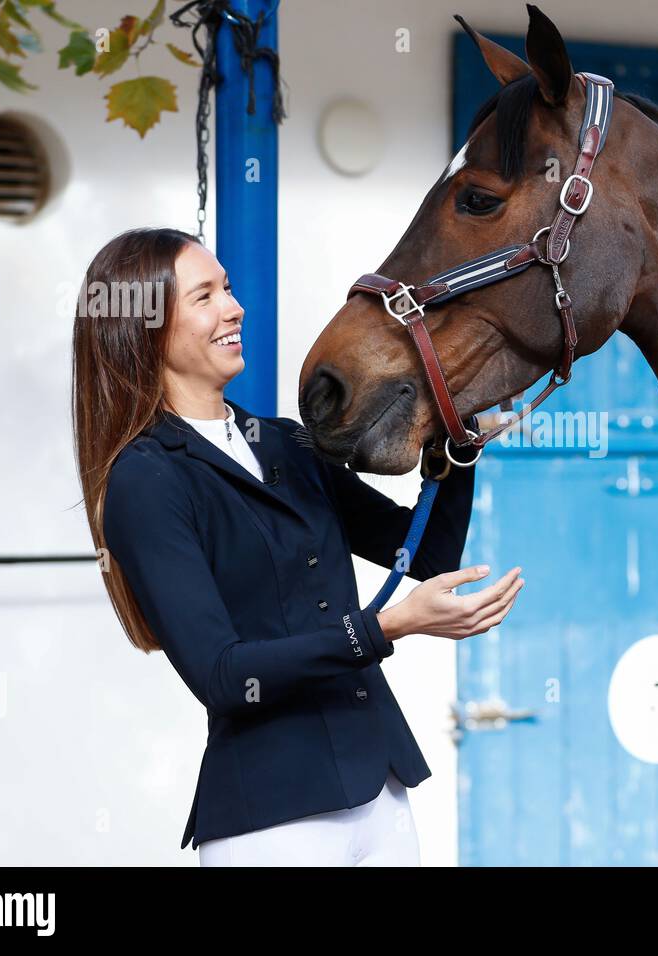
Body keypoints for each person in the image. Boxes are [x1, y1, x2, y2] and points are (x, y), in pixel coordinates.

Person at [71, 226, 523, 865]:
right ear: (146, 329)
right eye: (206, 297)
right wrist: (386, 627)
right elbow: (225, 676)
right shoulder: (145, 480)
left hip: (381, 790)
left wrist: (461, 439)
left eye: (227, 288)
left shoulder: (285, 443)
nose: (235, 308)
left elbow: (423, 557)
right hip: (271, 816)